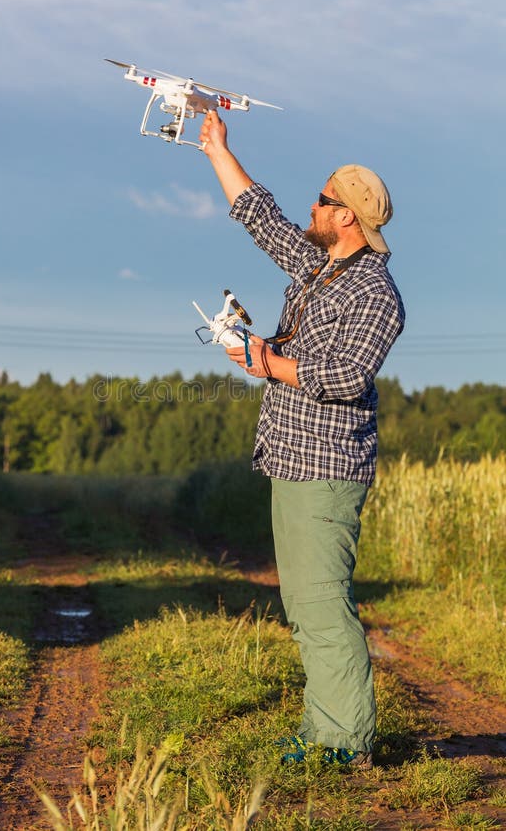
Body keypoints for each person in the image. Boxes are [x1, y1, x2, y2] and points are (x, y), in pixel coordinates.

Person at [198, 109, 405, 770]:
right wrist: (215, 147)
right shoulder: (321, 266)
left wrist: (267, 363)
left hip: (328, 467)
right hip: (291, 457)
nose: (311, 207)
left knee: (321, 601)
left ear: (347, 215)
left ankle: (345, 742)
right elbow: (261, 219)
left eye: (321, 199)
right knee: (303, 600)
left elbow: (346, 376)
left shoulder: (376, 293)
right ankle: (326, 733)